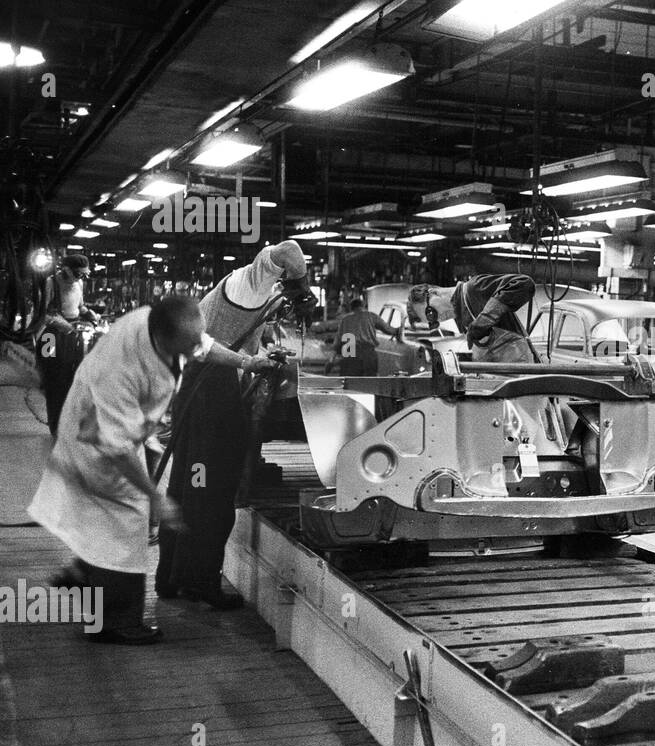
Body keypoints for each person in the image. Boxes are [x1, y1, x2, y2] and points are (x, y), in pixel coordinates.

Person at [28, 295, 270, 644]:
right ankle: (115, 622)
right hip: (94, 435)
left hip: (125, 429)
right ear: (162, 338)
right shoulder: (120, 367)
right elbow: (117, 447)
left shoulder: (166, 327)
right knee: (128, 517)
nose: (193, 350)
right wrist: (156, 497)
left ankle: (85, 577)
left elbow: (204, 346)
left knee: (114, 518)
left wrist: (246, 362)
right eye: (186, 345)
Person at [155, 240, 314, 609]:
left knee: (189, 483)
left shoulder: (260, 300)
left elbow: (238, 349)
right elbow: (289, 248)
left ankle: (172, 577)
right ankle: (200, 583)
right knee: (213, 490)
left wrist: (261, 357)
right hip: (208, 392)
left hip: (199, 390)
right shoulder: (249, 282)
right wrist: (303, 285)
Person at [407, 274, 536, 363]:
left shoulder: (474, 289)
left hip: (521, 373)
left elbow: (524, 283)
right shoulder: (461, 319)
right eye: (433, 322)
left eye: (431, 314)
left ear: (434, 292)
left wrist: (486, 319)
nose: (439, 319)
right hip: (501, 379)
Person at [37, 253, 98, 436]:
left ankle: (70, 424)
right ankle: (55, 426)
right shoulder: (51, 283)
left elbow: (79, 307)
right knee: (54, 379)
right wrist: (58, 323)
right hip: (53, 336)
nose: (81, 278)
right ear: (66, 270)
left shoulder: (78, 283)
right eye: (78, 274)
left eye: (83, 275)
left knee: (74, 378)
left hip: (72, 333)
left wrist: (90, 314)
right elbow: (41, 313)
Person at [334, 298, 398, 375]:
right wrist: (399, 330)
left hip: (349, 353)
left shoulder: (345, 320)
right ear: (363, 306)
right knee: (369, 382)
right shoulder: (371, 316)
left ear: (351, 308)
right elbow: (389, 330)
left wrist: (336, 355)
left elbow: (338, 342)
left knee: (349, 382)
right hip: (367, 353)